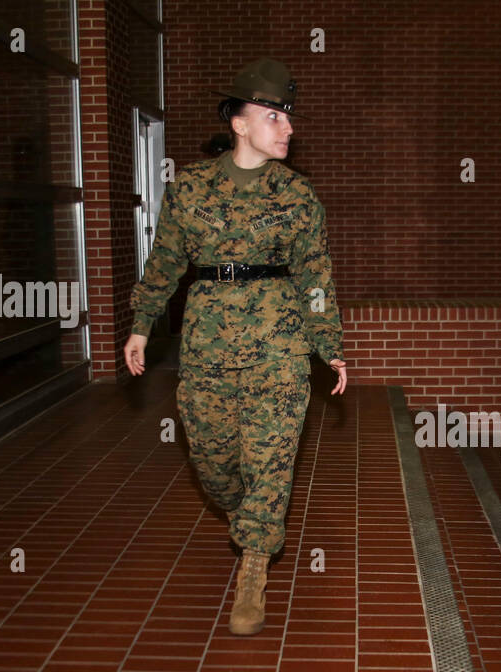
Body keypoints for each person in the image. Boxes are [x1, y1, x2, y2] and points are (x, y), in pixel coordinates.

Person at [123, 59, 346, 636]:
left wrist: (328, 344)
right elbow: (166, 261)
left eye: (288, 119)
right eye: (274, 118)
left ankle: (253, 569)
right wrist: (142, 323)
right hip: (206, 345)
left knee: (271, 459)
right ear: (240, 124)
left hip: (281, 345)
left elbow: (316, 276)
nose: (287, 129)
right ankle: (246, 514)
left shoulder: (298, 195)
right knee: (215, 463)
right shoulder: (191, 188)